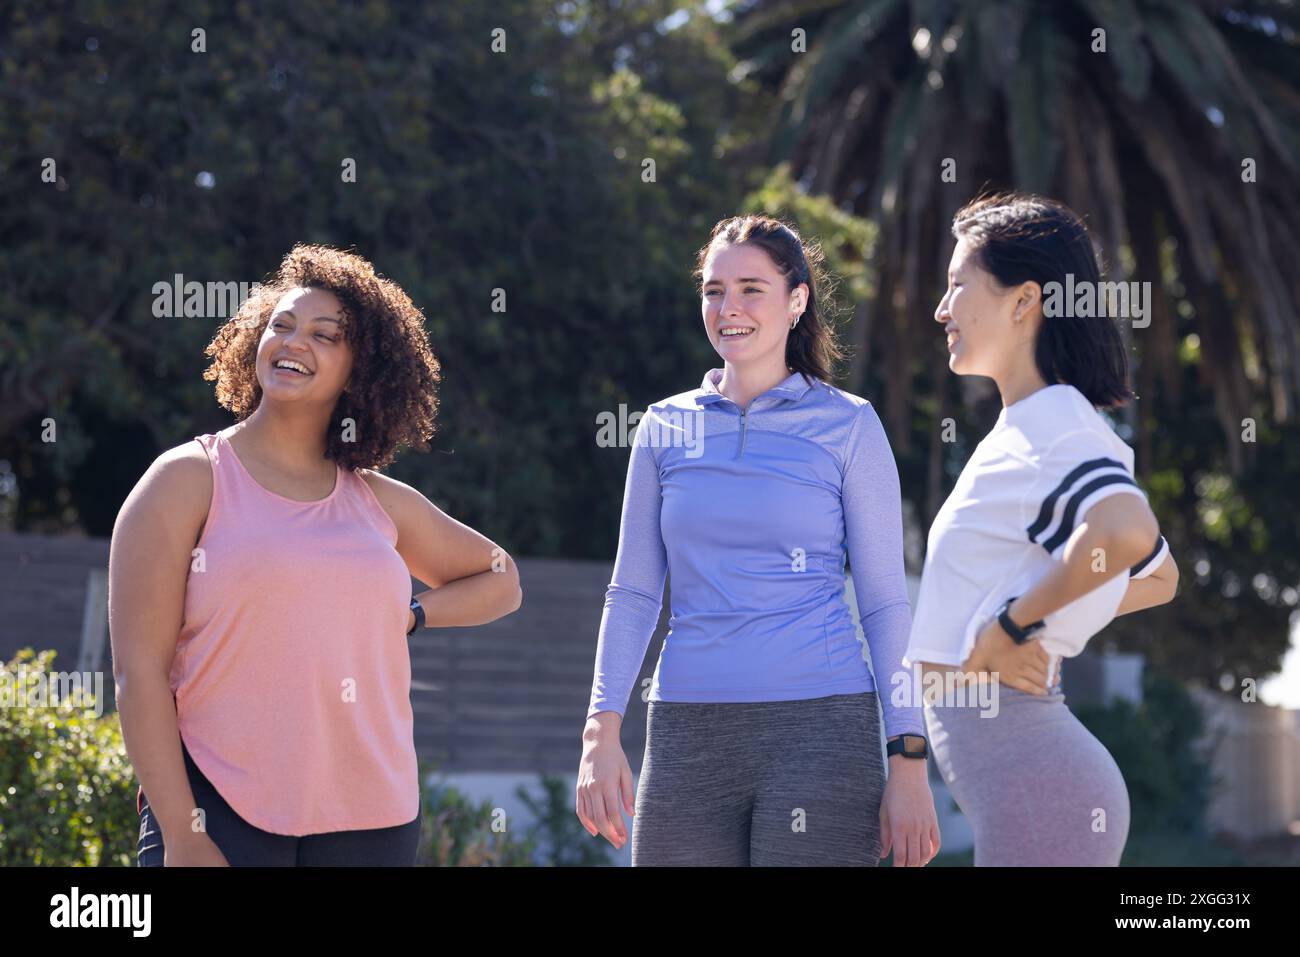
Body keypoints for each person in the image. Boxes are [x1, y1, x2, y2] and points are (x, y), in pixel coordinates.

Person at [109, 244, 522, 866]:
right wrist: (182, 832)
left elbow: (501, 579)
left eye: (325, 335)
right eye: (282, 324)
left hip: (374, 819)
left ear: (360, 369)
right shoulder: (187, 480)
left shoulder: (377, 501)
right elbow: (137, 671)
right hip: (216, 809)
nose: (294, 342)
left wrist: (412, 614)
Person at [577, 214, 940, 866]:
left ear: (797, 299)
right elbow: (632, 591)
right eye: (714, 290)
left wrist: (908, 756)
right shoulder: (664, 428)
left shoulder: (848, 426)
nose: (728, 307)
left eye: (751, 288)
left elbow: (885, 603)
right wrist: (600, 730)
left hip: (821, 728)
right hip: (688, 730)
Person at [903, 193, 1180, 866]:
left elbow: (1126, 532)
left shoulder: (1050, 420)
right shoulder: (1038, 424)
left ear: (1024, 300)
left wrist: (1015, 627)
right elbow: (1158, 577)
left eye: (956, 285)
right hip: (1032, 781)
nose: (941, 309)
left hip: (1040, 785)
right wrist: (1047, 622)